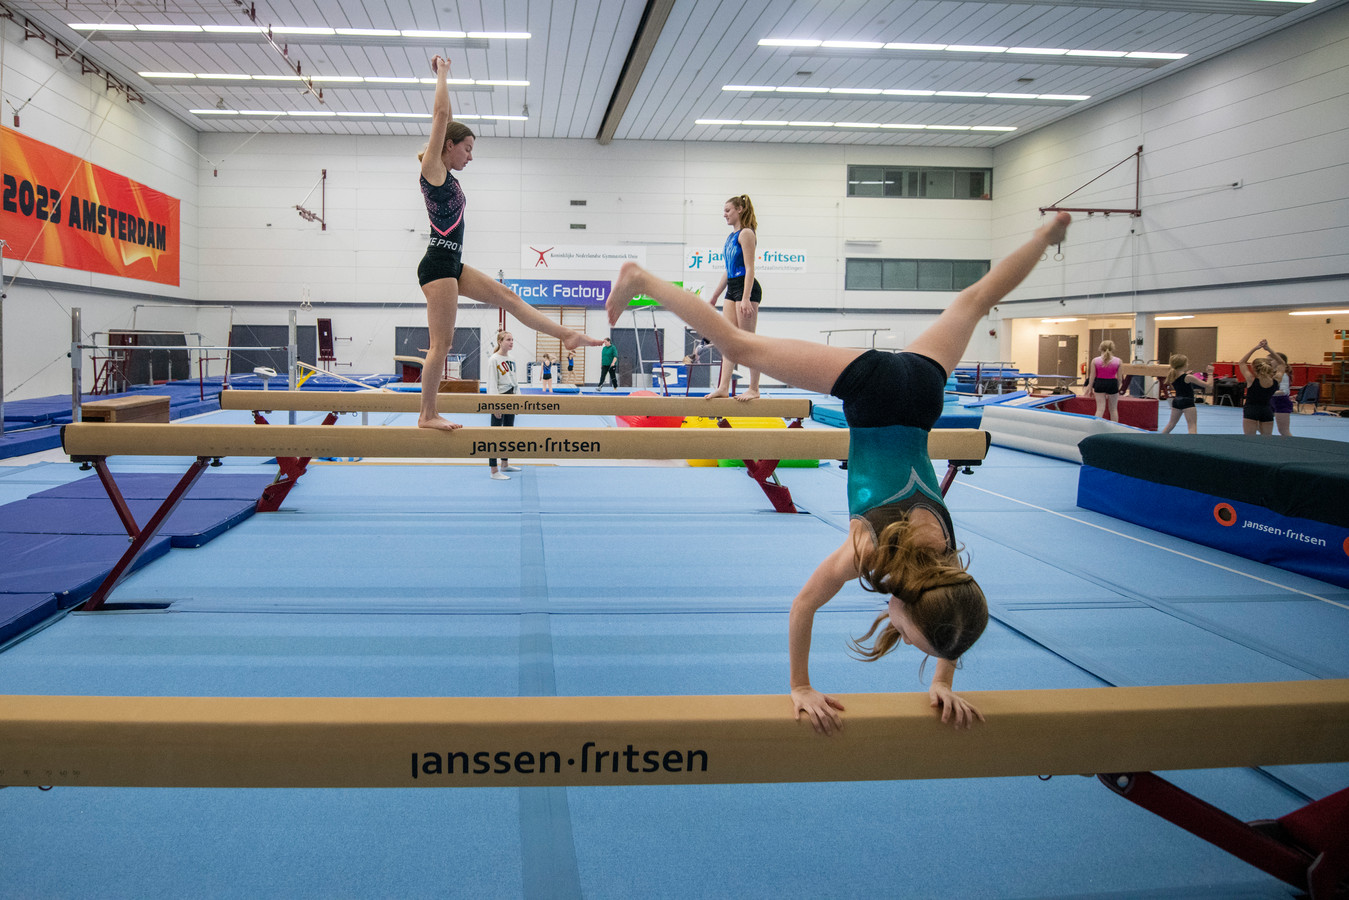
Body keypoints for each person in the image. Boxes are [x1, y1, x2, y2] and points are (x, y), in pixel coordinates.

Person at [607, 212, 1074, 733]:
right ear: (904, 605)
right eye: (915, 640)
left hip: (923, 394)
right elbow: (804, 605)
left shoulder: (944, 559)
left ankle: (1042, 238)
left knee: (974, 300)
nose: (907, 638)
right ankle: (641, 279)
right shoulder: (871, 550)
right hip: (872, 391)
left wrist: (943, 683)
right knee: (739, 347)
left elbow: (954, 622)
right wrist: (800, 687)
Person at [415, 55, 599, 431]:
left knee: (509, 297)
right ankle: (427, 414)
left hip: (453, 264)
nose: (471, 155)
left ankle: (566, 334)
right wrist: (444, 73)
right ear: (447, 146)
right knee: (442, 345)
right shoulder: (433, 170)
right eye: (467, 147)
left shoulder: (447, 175)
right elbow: (440, 114)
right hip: (437, 265)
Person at [705, 195, 763, 401]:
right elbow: (729, 270)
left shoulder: (746, 234)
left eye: (728, 210)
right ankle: (723, 387)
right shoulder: (731, 236)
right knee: (728, 341)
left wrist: (746, 297)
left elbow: (749, 268)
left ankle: (754, 388)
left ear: (740, 209)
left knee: (748, 342)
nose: (724, 214)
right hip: (732, 288)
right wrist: (714, 296)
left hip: (746, 289)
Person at [484, 330, 522, 480]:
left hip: (511, 396)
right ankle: (494, 470)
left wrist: (518, 401)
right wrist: (495, 405)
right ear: (500, 342)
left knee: (508, 432)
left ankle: (505, 463)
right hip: (500, 396)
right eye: (508, 340)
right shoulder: (494, 359)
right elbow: (491, 382)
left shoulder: (512, 359)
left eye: (512, 340)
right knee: (495, 434)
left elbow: (515, 380)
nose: (511, 342)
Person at [1159, 354, 1209, 434]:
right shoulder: (1188, 377)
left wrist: (1187, 374)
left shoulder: (1173, 376)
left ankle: (1159, 439)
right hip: (1187, 401)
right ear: (1184, 365)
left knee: (1171, 424)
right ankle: (1192, 444)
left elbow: (1181, 380)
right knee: (1192, 426)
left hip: (1176, 401)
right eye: (1187, 363)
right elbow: (1209, 385)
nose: (1188, 364)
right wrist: (1210, 373)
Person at [1238, 340, 1278, 436]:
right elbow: (1282, 364)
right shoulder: (1275, 380)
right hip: (1267, 410)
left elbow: (1242, 362)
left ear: (1255, 369)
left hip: (1251, 410)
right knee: (1267, 439)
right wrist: (1269, 349)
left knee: (1250, 439)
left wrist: (1255, 348)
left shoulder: (1251, 380)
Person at [1085, 340, 1122, 421]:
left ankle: (1096, 428)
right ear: (1113, 349)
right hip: (1112, 383)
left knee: (1100, 409)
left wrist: (1090, 388)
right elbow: (1119, 378)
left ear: (1100, 348)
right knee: (1113, 409)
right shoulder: (1118, 361)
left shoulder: (1095, 360)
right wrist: (1117, 388)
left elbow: (1092, 376)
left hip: (1099, 383)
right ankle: (1114, 428)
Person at [1267, 346, 1294, 436]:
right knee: (1260, 425)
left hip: (1281, 402)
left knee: (1283, 431)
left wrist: (1267, 392)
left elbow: (1284, 391)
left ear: (1279, 361)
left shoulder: (1284, 375)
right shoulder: (1272, 374)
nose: (1268, 363)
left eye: (1271, 360)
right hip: (1271, 402)